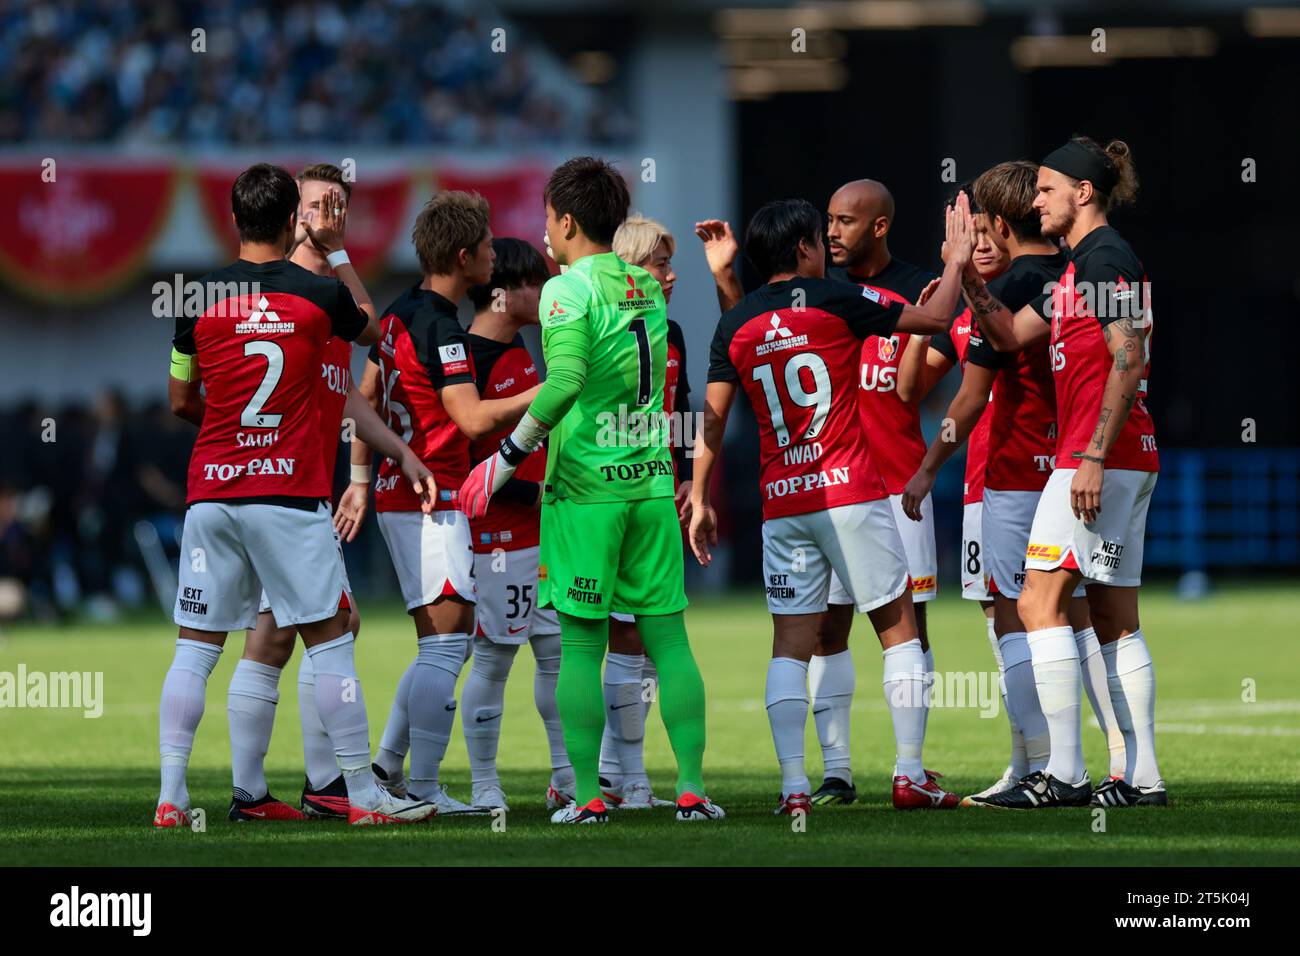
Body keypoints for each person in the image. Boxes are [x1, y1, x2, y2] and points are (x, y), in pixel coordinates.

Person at [159, 163, 435, 827]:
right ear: (291, 221)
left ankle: (172, 798)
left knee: (196, 648)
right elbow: (370, 330)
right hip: (286, 493)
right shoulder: (317, 297)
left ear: (233, 219)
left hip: (211, 493)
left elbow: (178, 399)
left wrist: (229, 429)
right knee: (333, 639)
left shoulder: (195, 299)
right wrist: (338, 248)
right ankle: (362, 798)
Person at [688, 196, 973, 813]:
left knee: (791, 643)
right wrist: (953, 264)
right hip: (848, 491)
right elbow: (933, 318)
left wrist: (702, 495)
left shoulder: (733, 326)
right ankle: (909, 774)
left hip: (782, 505)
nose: (827, 246)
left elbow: (712, 419)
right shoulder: (834, 300)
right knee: (898, 630)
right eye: (820, 237)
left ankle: (794, 788)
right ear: (804, 250)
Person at [459, 157, 722, 824]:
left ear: (567, 221)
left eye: (548, 218)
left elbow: (567, 379)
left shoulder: (565, 288)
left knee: (580, 645)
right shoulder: (643, 286)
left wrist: (505, 459)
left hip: (586, 488)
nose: (544, 231)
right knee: (669, 642)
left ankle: (588, 798)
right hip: (651, 486)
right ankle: (690, 791)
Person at [962, 138, 1164, 808]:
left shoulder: (1104, 255)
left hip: (1095, 459)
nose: (1036, 200)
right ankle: (1143, 779)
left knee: (1036, 603)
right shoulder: (1079, 269)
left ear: (1083, 192)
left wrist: (1093, 456)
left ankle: (1066, 775)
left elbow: (1128, 356)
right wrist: (964, 272)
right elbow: (1011, 335)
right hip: (1123, 459)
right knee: (1112, 616)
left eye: (1046, 189)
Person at [357, 192, 539, 815]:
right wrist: (552, 389)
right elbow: (470, 417)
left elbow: (367, 390)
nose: (496, 254)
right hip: (430, 497)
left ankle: (387, 767)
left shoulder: (402, 311)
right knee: (445, 647)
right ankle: (424, 788)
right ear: (464, 257)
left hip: (403, 491)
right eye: (488, 246)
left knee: (444, 643)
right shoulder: (441, 327)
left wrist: (361, 477)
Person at [458, 237, 574, 810]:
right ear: (503, 293)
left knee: (556, 655)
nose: (545, 289)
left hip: (543, 532)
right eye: (535, 281)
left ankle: (567, 780)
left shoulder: (527, 349)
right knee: (494, 657)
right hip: (497, 540)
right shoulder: (466, 359)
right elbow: (466, 460)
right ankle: (484, 786)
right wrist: (536, 492)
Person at [595, 214, 693, 809]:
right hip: (606, 494)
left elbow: (676, 416)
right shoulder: (597, 322)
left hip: (656, 491)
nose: (670, 274)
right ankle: (624, 779)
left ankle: (616, 769)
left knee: (652, 637)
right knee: (621, 637)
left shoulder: (669, 329)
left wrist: (684, 479)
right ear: (629, 266)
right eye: (660, 262)